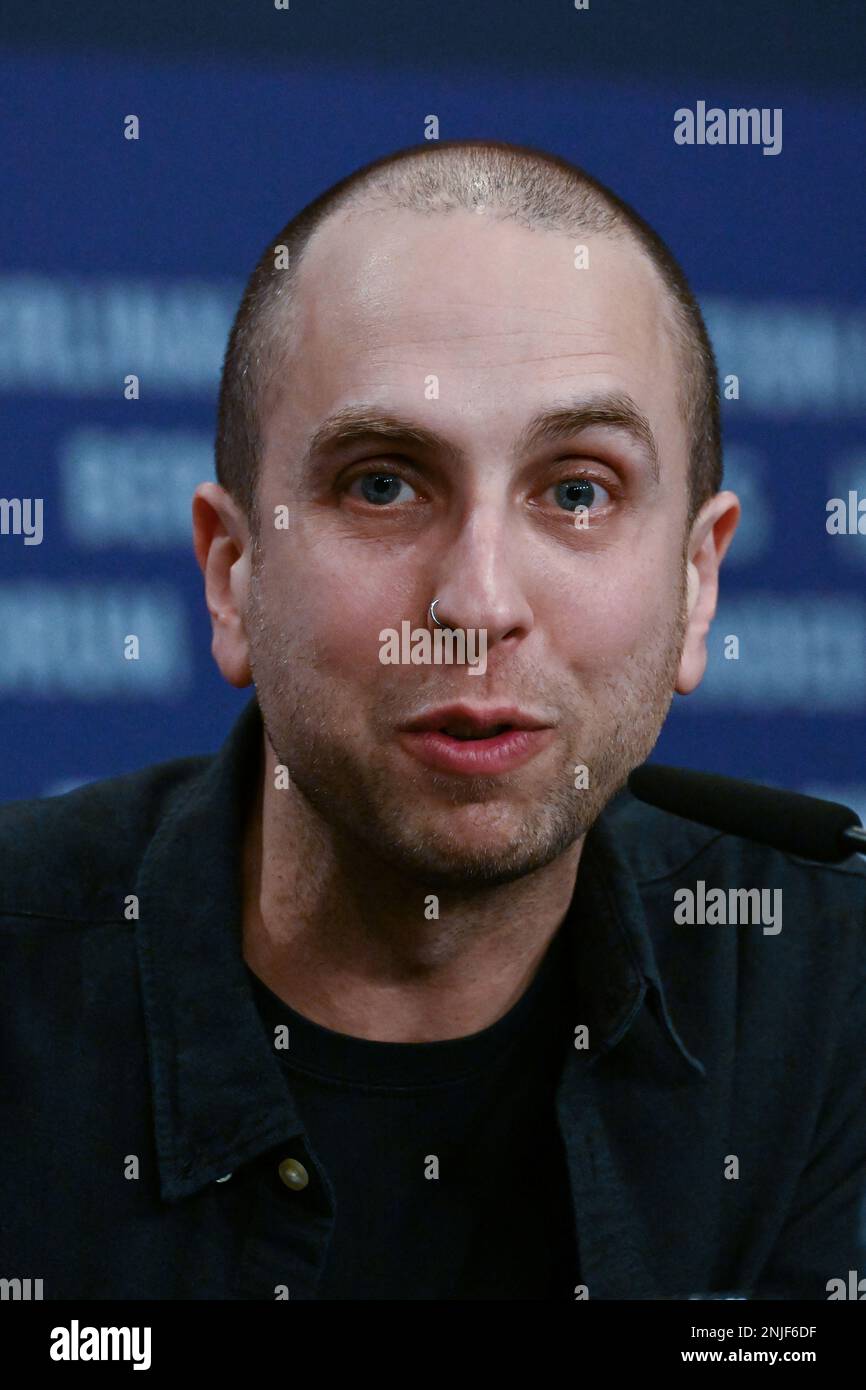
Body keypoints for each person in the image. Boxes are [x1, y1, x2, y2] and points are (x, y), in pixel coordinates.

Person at [1, 141, 864, 1301]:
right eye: (382, 484)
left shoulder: (827, 996)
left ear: (695, 583)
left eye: (576, 491)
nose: (478, 603)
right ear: (232, 576)